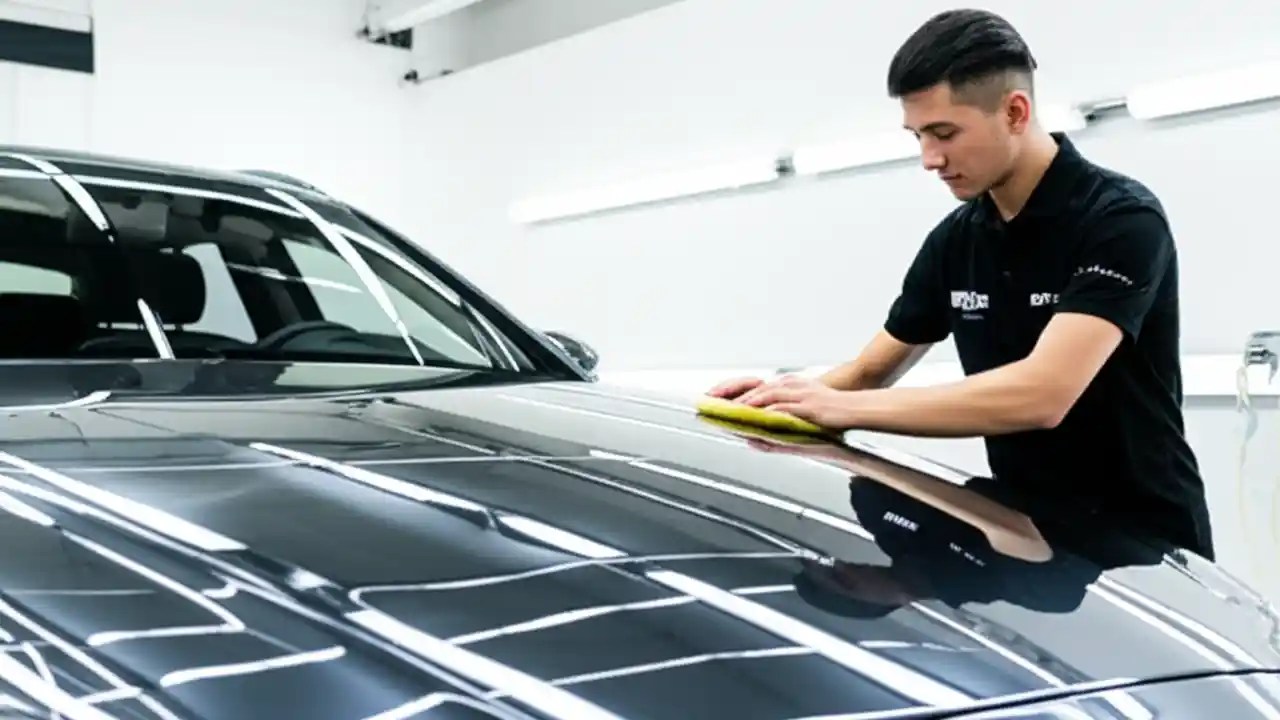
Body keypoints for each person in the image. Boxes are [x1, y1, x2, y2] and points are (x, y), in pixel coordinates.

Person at [707, 9, 1214, 560]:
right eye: (918, 135)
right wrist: (772, 406)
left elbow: (1044, 393)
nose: (929, 159)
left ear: (1015, 112)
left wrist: (839, 410)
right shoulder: (956, 240)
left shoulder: (1120, 220)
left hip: (1146, 543)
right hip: (1022, 531)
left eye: (945, 133)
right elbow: (869, 372)